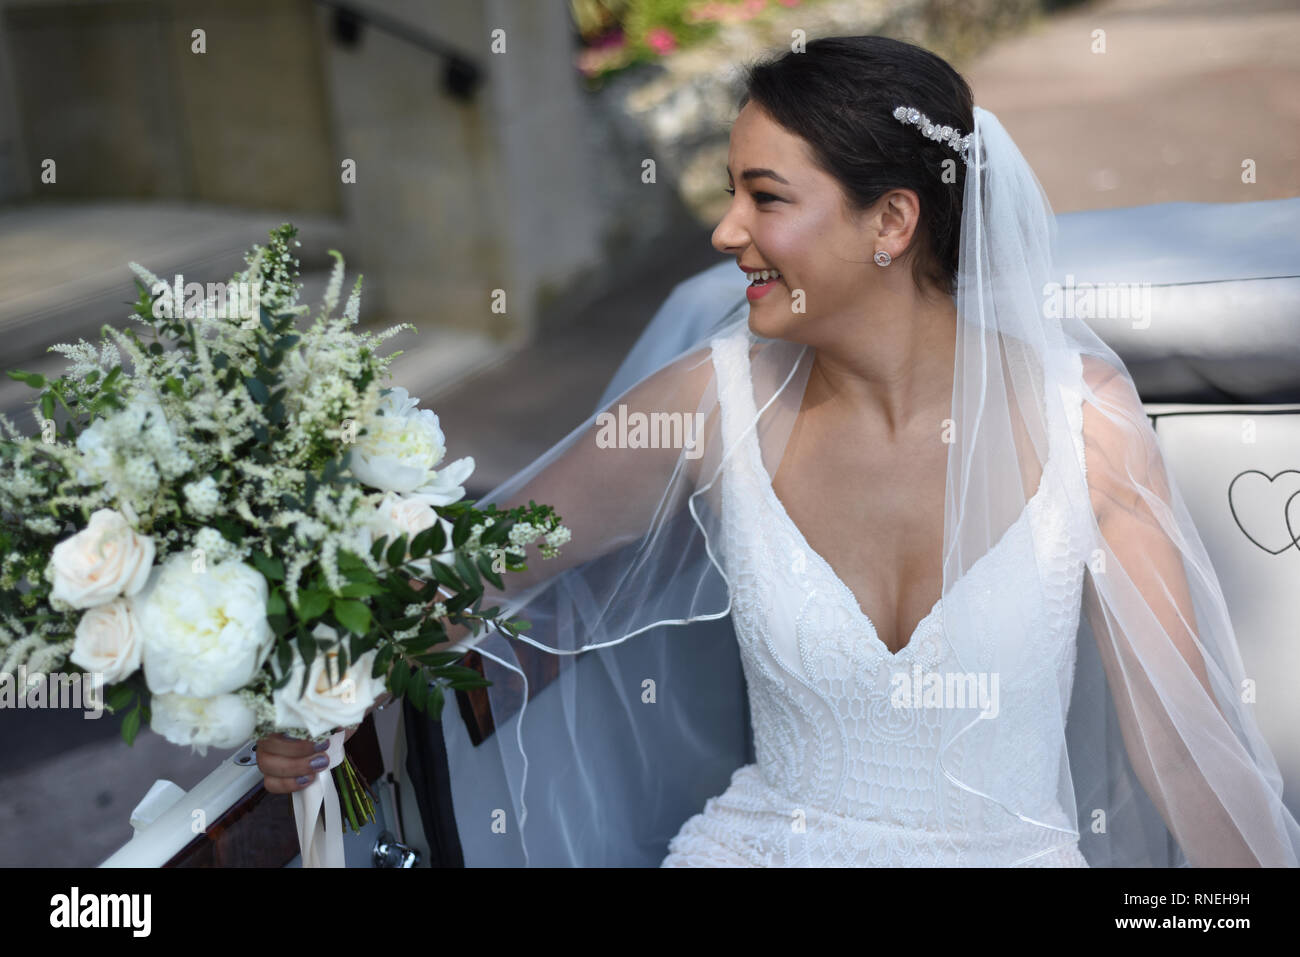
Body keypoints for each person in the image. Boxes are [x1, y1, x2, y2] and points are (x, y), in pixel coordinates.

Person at [264, 35, 1300, 867]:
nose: (723, 232)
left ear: (890, 220)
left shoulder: (1085, 417)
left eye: (764, 197)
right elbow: (476, 571)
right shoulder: (708, 406)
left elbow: (1181, 746)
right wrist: (312, 692)